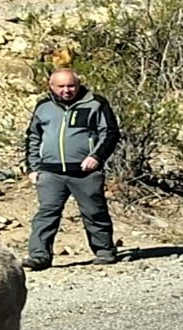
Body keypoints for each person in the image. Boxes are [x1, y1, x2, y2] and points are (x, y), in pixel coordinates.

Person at [22, 67, 122, 270]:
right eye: (61, 86)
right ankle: (39, 256)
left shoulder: (95, 103)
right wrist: (33, 168)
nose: (66, 90)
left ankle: (104, 251)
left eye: (71, 85)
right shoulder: (43, 106)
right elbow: (33, 137)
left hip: (85, 172)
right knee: (46, 215)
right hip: (50, 172)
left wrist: (97, 156)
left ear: (78, 85)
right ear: (51, 86)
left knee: (94, 212)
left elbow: (110, 133)